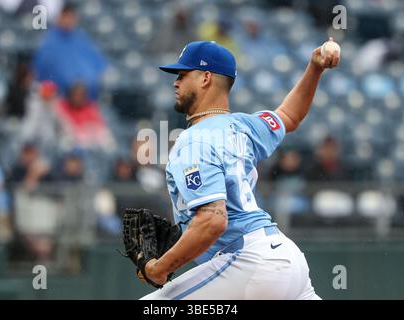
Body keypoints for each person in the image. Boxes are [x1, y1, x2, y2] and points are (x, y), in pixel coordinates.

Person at [139, 39, 339, 299]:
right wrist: (314, 68)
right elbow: (290, 117)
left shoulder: (193, 141)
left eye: (182, 74)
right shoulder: (244, 126)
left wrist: (160, 267)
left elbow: (213, 220)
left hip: (249, 262)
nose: (176, 82)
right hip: (288, 260)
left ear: (205, 78)